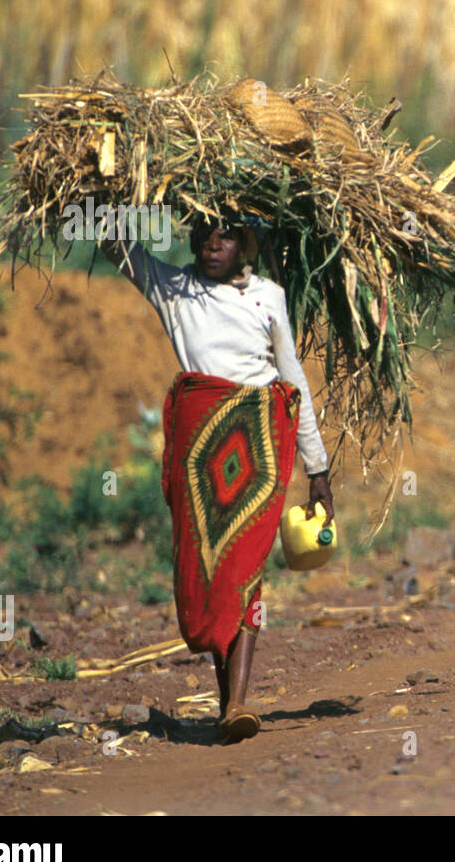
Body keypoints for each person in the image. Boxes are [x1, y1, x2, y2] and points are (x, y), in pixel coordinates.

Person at [98, 210, 334, 743]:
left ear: (246, 243)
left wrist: (318, 470)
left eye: (227, 233)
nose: (213, 242)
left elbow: (292, 380)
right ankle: (230, 703)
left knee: (246, 566)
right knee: (209, 570)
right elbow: (116, 246)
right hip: (200, 452)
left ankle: (241, 701)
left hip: (260, 442)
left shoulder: (268, 296)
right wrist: (100, 189)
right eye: (205, 232)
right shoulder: (173, 288)